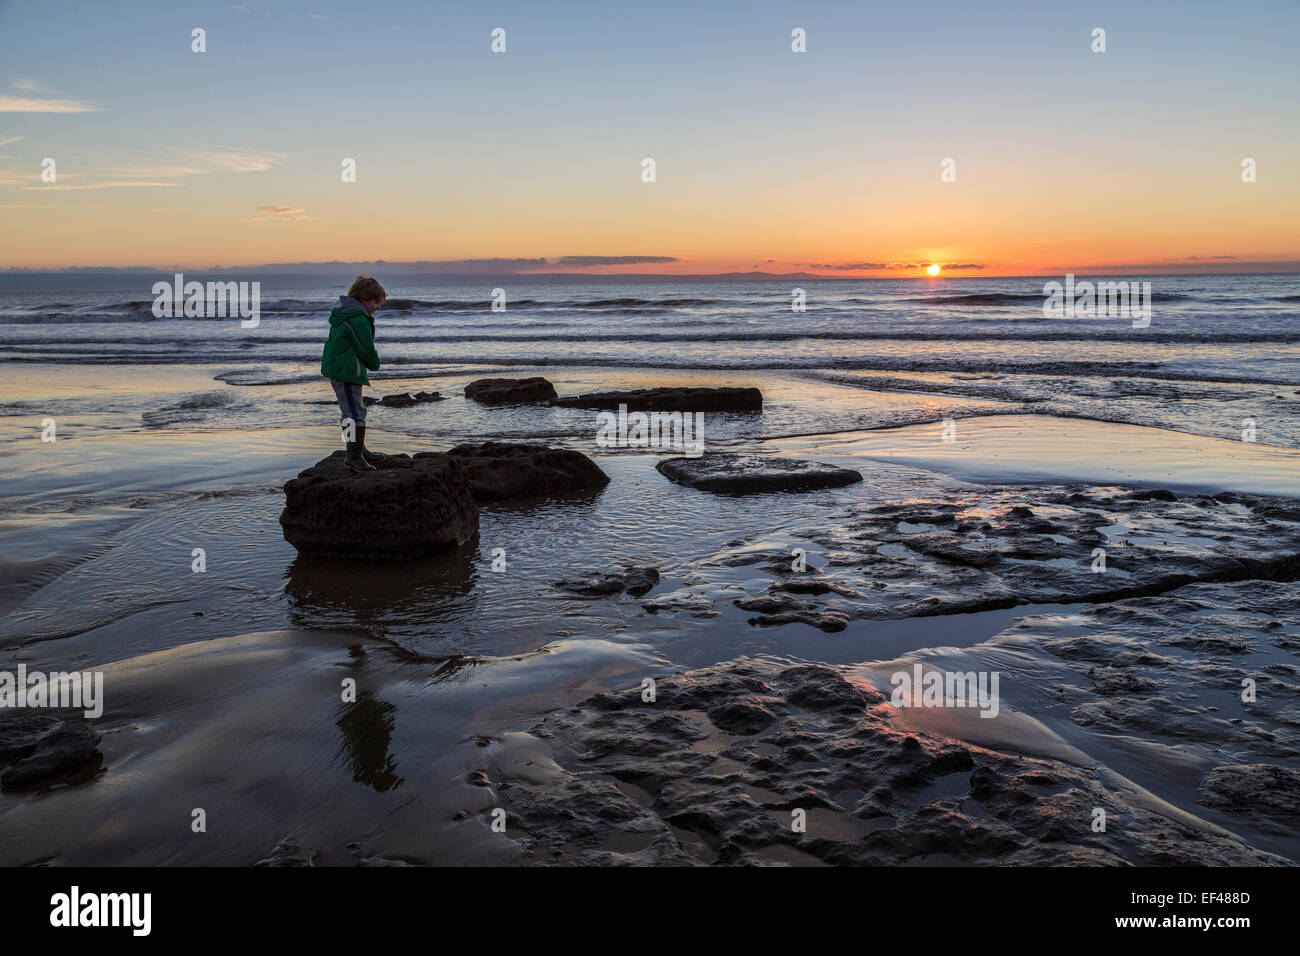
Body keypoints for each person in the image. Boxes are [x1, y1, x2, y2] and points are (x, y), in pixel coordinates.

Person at [320, 275, 386, 471]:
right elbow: (365, 347)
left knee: (351, 410)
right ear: (364, 298)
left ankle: (358, 450)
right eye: (376, 301)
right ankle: (353, 457)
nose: (377, 307)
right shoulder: (356, 319)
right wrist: (374, 364)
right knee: (354, 412)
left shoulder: (346, 315)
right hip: (346, 371)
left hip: (342, 369)